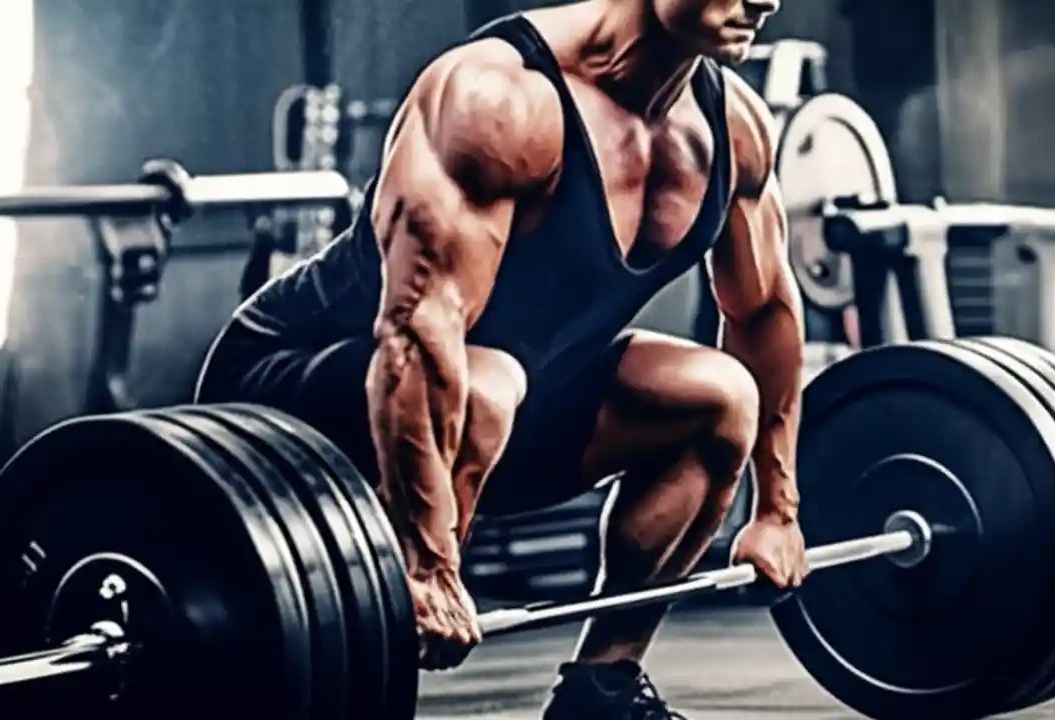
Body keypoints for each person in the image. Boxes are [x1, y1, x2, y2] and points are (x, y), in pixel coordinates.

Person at [195, 1, 807, 716]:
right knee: (488, 382)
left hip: (502, 395)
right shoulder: (500, 100)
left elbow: (763, 312)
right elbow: (415, 333)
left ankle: (601, 692)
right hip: (285, 405)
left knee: (719, 397)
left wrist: (778, 510)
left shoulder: (732, 128)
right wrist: (423, 561)